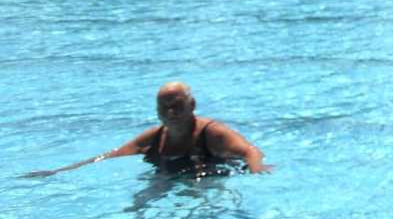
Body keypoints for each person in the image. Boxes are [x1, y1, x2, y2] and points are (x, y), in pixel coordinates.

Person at [23, 81, 270, 177]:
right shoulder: (155, 137)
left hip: (210, 174)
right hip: (172, 174)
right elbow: (110, 155)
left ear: (192, 105)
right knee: (140, 204)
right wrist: (57, 171)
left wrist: (257, 169)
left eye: (177, 106)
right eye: (164, 108)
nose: (171, 113)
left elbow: (249, 151)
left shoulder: (212, 132)